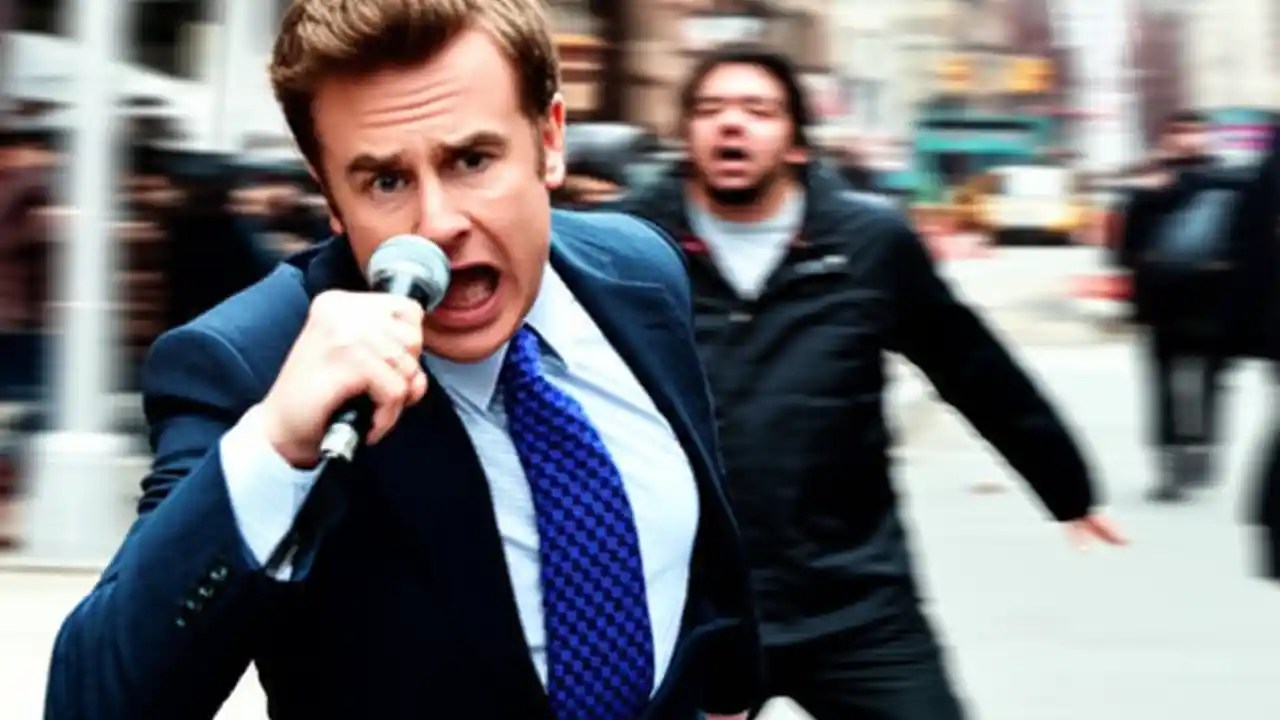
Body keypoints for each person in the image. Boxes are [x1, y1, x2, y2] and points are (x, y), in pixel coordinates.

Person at [45, 2, 760, 719]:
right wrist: (275, 447)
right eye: (386, 182)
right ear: (331, 197)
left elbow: (704, 542)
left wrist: (731, 693)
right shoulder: (249, 363)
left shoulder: (641, 267)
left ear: (549, 140)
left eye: (472, 161)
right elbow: (91, 703)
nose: (438, 225)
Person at [615, 45, 1124, 720]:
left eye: (757, 110)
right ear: (687, 136)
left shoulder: (866, 242)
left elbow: (972, 367)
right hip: (690, 608)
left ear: (797, 143)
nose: (731, 123)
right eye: (710, 110)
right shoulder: (628, 247)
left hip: (852, 602)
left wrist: (1066, 485)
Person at [1117, 111, 1250, 501]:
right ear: (1166, 138)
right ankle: (1171, 465)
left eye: (1195, 131)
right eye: (1180, 132)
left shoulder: (1227, 183)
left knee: (1210, 384)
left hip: (1215, 300)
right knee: (1164, 387)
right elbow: (1126, 248)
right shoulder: (1149, 184)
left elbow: (1248, 242)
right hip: (1164, 301)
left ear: (1208, 137)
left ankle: (1200, 450)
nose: (1188, 139)